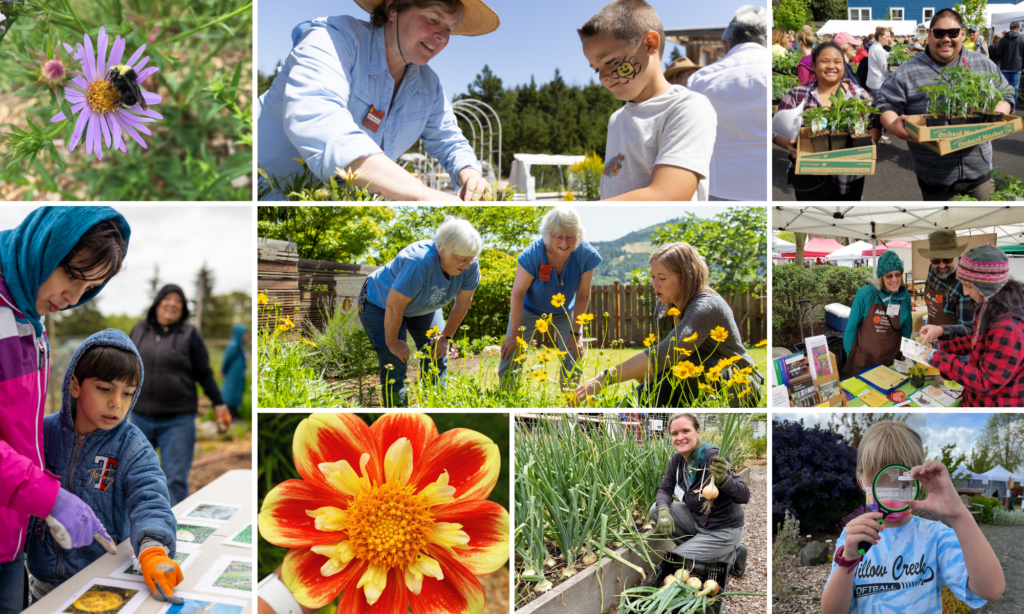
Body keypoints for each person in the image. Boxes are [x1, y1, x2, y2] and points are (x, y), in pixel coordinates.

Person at [0, 207, 130, 612]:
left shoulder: (28, 319)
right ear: (45, 246)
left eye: (90, 286)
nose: (74, 298)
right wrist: (47, 496)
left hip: (8, 537)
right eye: (73, 275)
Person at [256, 0, 500, 201]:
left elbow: (450, 141)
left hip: (322, 206)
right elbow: (320, 122)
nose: (441, 37)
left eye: (449, 29)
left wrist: (470, 174)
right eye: (433, 19)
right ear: (393, 8)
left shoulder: (429, 86)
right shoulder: (331, 39)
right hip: (246, 186)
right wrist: (422, 195)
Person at [26, 330, 180, 603]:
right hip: (42, 586)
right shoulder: (41, 432)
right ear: (75, 386)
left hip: (103, 587)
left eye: (128, 393)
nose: (116, 403)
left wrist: (153, 550)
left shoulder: (132, 445)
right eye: (105, 389)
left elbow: (150, 500)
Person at [822, 421, 1004, 614]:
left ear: (918, 481)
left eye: (901, 479)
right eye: (881, 478)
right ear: (862, 481)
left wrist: (959, 515)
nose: (891, 490)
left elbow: (991, 590)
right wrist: (847, 561)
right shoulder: (852, 539)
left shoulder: (936, 537)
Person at [575, 243, 758, 407]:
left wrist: (604, 378)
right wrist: (652, 371)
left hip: (740, 385)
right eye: (653, 276)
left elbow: (668, 352)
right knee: (636, 401)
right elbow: (664, 361)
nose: (655, 284)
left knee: (684, 367)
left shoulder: (706, 306)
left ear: (687, 277)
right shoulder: (664, 305)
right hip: (691, 380)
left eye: (662, 278)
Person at [578, 0, 716, 201]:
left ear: (650, 43)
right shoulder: (616, 119)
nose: (602, 77)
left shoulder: (688, 108)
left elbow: (670, 196)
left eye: (609, 62)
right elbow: (615, 189)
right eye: (597, 69)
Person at [876, 9, 1015, 200]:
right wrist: (893, 124)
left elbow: (1006, 93)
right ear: (930, 34)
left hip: (980, 173)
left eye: (953, 33)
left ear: (963, 34)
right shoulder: (907, 71)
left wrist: (998, 112)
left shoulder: (983, 64)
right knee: (944, 229)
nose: (946, 39)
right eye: (939, 33)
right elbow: (884, 104)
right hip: (935, 176)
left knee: (983, 225)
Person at [358, 216, 480, 407]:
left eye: (470, 259)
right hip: (381, 305)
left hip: (423, 307)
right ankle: (399, 415)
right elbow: (393, 306)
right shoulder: (419, 262)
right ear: (442, 250)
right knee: (395, 361)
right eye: (461, 260)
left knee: (437, 355)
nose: (466, 266)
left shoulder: (470, 266)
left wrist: (445, 337)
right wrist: (393, 343)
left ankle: (435, 408)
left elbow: (462, 304)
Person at [130, 284, 230, 506]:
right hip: (139, 416)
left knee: (174, 479)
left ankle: (173, 529)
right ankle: (129, 528)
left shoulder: (190, 335)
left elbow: (204, 373)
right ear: (157, 302)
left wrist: (219, 404)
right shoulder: (140, 329)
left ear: (183, 308)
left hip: (177, 421)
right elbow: (124, 365)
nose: (172, 303)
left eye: (178, 300)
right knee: (132, 473)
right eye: (168, 298)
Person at [498, 207, 601, 390]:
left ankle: (569, 398)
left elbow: (583, 294)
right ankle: (507, 395)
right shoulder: (533, 254)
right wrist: (515, 334)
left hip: (564, 311)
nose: (564, 242)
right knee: (513, 349)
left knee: (573, 351)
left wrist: (575, 334)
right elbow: (518, 293)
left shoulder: (586, 254)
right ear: (548, 235)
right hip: (529, 308)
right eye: (558, 236)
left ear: (578, 236)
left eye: (570, 236)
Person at [774, 42, 880, 200]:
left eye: (837, 61)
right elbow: (773, 128)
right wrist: (788, 144)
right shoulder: (798, 94)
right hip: (810, 176)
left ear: (844, 65)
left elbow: (874, 125)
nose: (831, 66)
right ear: (814, 66)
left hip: (850, 176)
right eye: (824, 61)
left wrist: (864, 148)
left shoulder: (860, 95)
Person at [924, 246, 1024, 407]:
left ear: (986, 286)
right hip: (974, 399)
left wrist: (937, 357)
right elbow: (975, 341)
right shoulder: (987, 306)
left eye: (969, 286)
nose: (964, 292)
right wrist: (940, 346)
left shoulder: (1007, 327)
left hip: (994, 405)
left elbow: (985, 381)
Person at [688, 5, 769, 201]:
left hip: (718, 186)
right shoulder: (772, 70)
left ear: (725, 43)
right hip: (766, 184)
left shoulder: (700, 79)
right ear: (766, 40)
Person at [650, 413, 749, 573]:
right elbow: (665, 489)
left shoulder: (714, 458)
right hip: (699, 521)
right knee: (656, 509)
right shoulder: (677, 461)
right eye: (674, 434)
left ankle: (730, 554)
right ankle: (715, 552)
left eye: (685, 431)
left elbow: (744, 495)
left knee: (676, 559)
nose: (680, 437)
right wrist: (663, 510)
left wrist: (724, 479)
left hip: (723, 530)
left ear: (698, 431)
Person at [842, 250, 912, 375]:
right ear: (881, 276)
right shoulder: (865, 294)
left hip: (892, 359)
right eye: (889, 275)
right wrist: (851, 355)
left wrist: (904, 353)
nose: (894, 279)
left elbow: (907, 329)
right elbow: (851, 328)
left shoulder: (904, 295)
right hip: (866, 359)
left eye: (898, 274)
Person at [915, 231, 974, 344]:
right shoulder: (932, 269)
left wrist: (941, 330)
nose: (942, 265)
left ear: (957, 255)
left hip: (954, 348)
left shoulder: (965, 282)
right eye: (936, 260)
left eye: (947, 260)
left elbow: (969, 329)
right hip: (932, 341)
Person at [220, 323, 250, 423]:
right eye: (245, 333)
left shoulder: (240, 345)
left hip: (238, 375)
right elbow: (227, 359)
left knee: (237, 393)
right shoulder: (233, 345)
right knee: (230, 394)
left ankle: (235, 414)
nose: (247, 335)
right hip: (232, 375)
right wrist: (223, 370)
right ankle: (230, 415)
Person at [990, 21, 1023, 101]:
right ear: (1018, 29)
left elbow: (998, 54)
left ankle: (1003, 105)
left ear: (1009, 28)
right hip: (1017, 67)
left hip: (1004, 67)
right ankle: (1012, 107)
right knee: (1014, 89)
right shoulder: (1022, 39)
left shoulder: (1003, 40)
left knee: (1003, 88)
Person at [866, 26, 891, 94]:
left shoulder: (873, 47)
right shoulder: (879, 50)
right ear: (880, 37)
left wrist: (899, 52)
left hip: (873, 82)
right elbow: (885, 71)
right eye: (887, 36)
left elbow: (887, 54)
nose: (889, 39)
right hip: (878, 85)